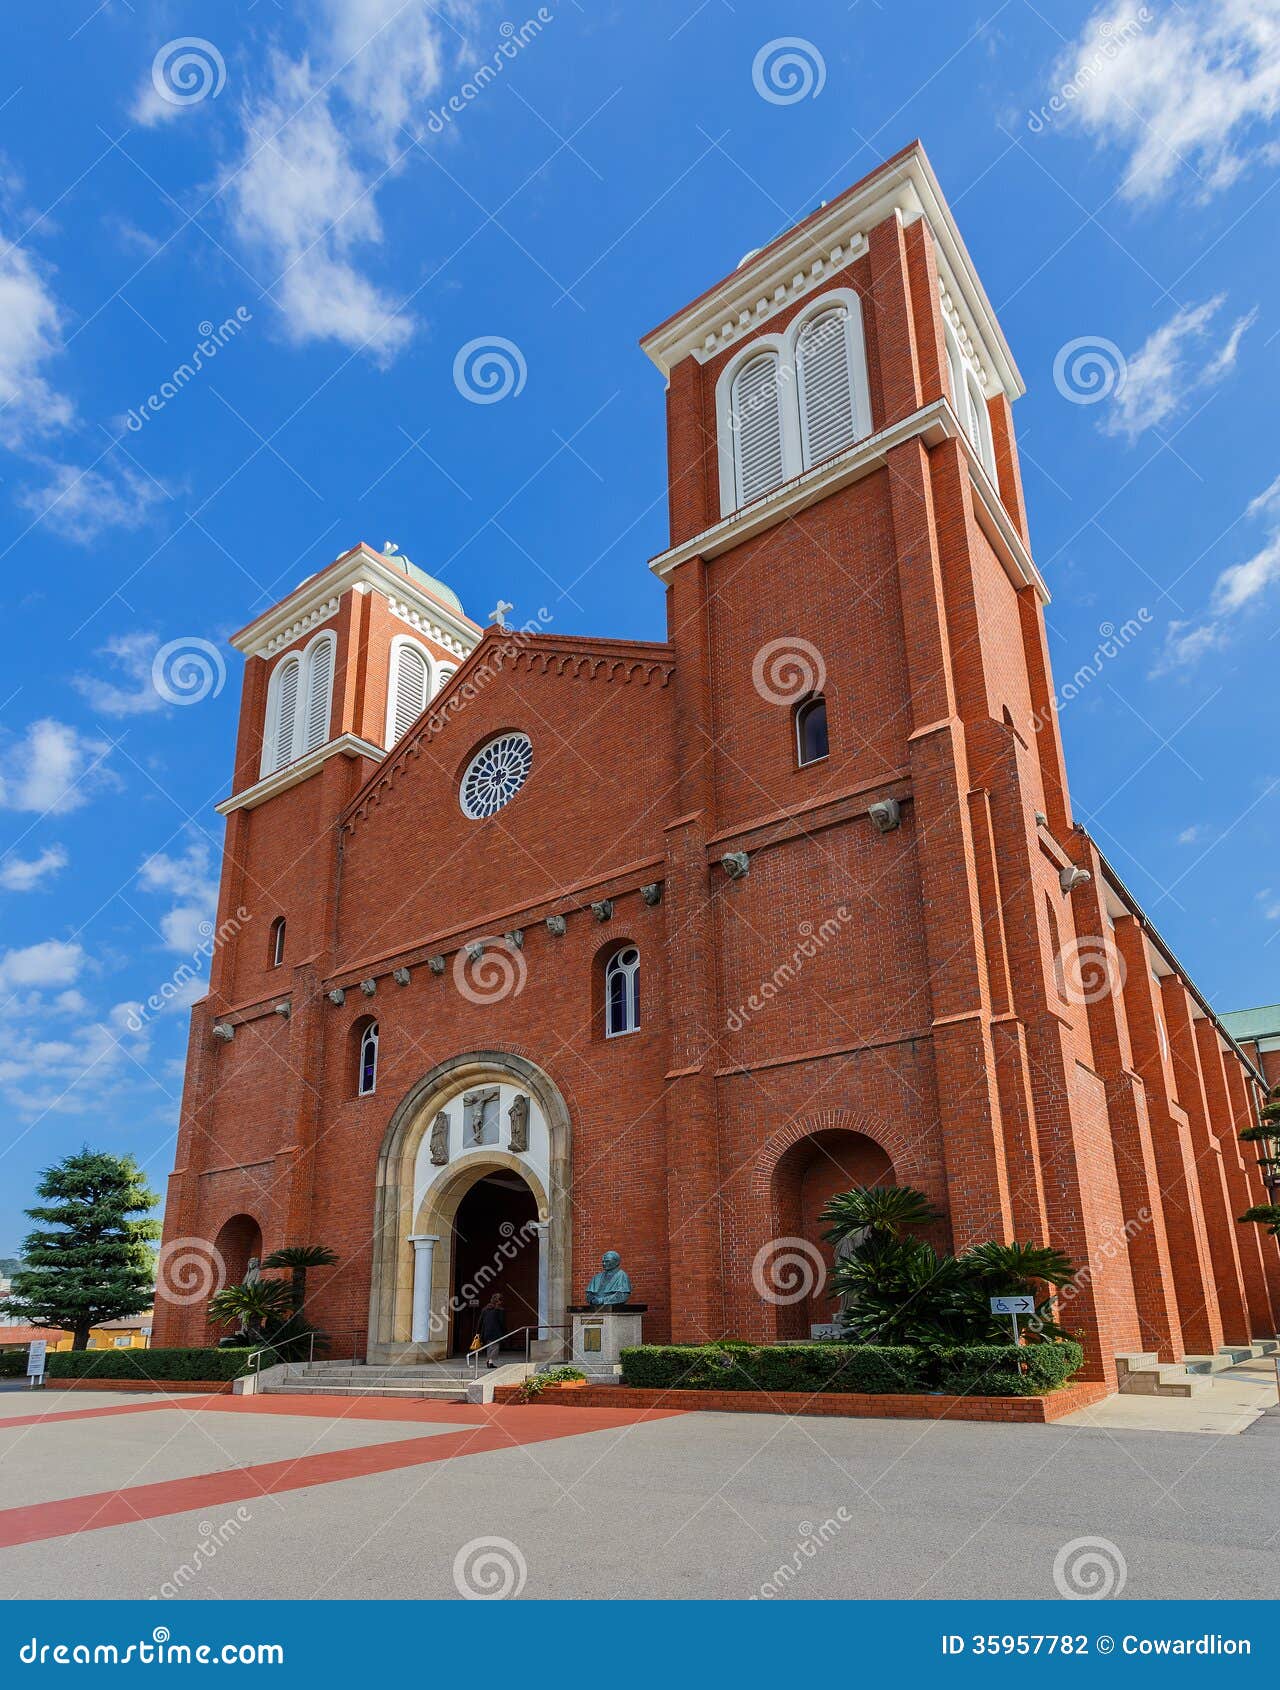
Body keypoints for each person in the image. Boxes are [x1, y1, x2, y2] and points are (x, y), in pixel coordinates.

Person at [477, 1292, 506, 1368]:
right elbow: (502, 1322)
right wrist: (504, 1331)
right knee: (495, 1347)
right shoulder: (499, 1310)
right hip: (496, 1332)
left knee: (490, 1347)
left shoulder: (485, 1309)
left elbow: (480, 1321)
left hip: (486, 1332)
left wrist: (478, 1332)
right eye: (501, 1300)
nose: (501, 1302)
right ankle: (490, 1361)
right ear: (499, 1301)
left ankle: (490, 1362)